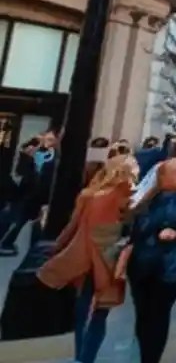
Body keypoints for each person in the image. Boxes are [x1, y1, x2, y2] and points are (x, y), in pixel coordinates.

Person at [37, 155, 136, 363]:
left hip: (85, 256)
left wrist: (58, 246)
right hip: (109, 259)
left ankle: (80, 356)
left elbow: (72, 226)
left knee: (83, 309)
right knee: (100, 313)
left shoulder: (89, 195)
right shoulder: (125, 195)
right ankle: (86, 357)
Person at [127, 157, 176, 363]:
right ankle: (145, 353)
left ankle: (151, 358)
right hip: (141, 265)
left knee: (158, 313)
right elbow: (134, 227)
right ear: (163, 175)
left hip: (171, 267)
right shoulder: (148, 197)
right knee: (143, 313)